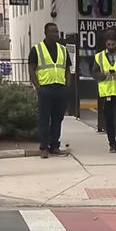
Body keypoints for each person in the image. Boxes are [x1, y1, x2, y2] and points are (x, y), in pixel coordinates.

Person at [29, 22, 71, 158]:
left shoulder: (63, 50)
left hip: (60, 89)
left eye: (57, 32)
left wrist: (67, 86)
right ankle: (44, 147)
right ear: (45, 33)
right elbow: (31, 69)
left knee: (58, 119)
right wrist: (38, 87)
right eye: (52, 32)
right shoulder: (37, 49)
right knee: (44, 119)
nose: (55, 34)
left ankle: (54, 146)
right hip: (45, 89)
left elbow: (68, 69)